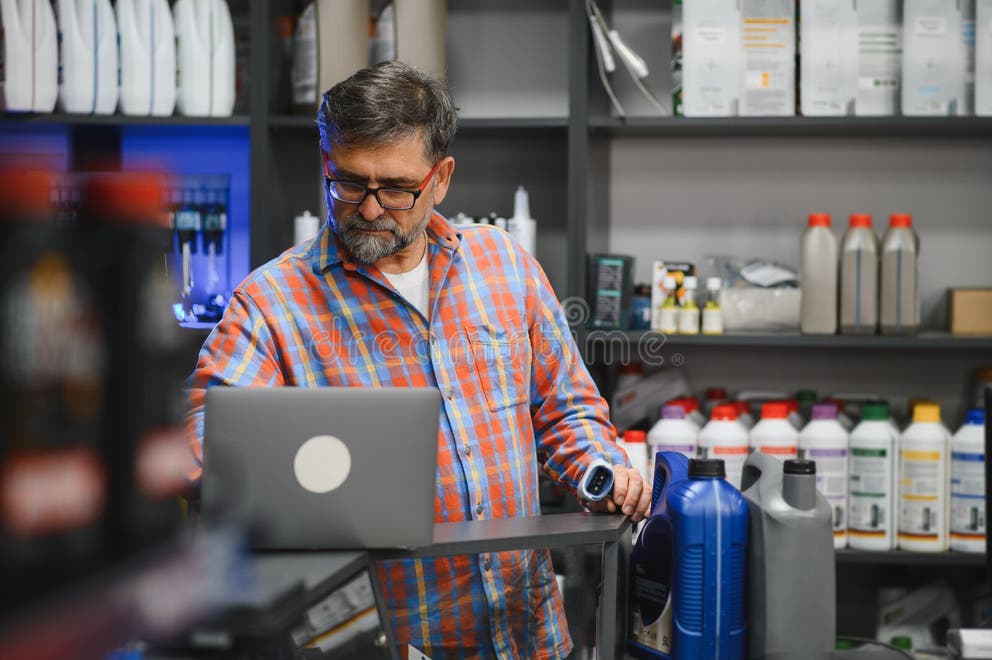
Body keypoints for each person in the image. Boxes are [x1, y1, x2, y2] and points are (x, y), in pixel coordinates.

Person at [184, 61, 650, 658]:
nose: (370, 209)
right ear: (326, 163)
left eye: (397, 189)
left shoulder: (506, 267)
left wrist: (599, 473)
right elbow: (208, 437)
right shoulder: (272, 303)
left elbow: (568, 411)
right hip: (394, 640)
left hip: (528, 634)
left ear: (441, 178)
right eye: (349, 183)